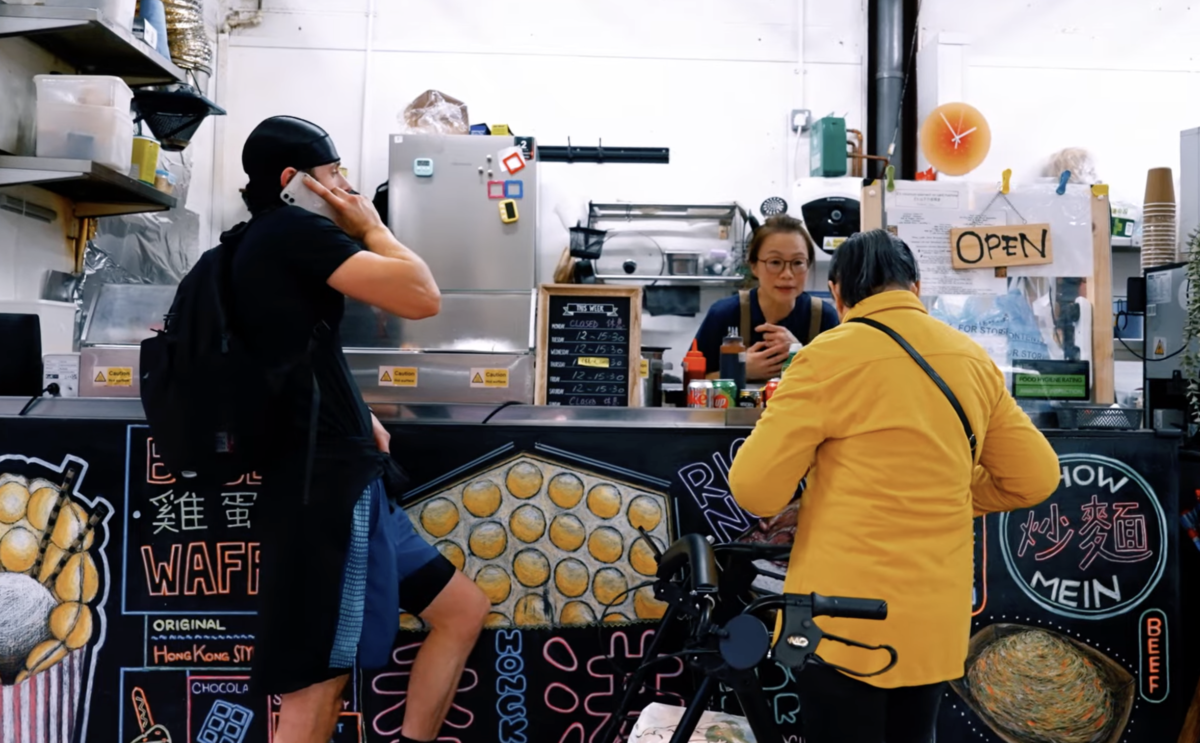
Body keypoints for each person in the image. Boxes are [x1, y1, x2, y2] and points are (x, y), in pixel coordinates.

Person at [728, 229, 1060, 743]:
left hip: (842, 622)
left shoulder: (824, 356)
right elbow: (1037, 478)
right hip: (934, 621)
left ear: (837, 293)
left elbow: (755, 491)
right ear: (916, 286)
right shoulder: (970, 357)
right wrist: (944, 487)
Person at [228, 116, 489, 743]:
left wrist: (357, 409)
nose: (343, 184)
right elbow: (423, 296)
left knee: (460, 610)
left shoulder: (259, 239)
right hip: (326, 489)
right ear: (294, 182)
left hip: (348, 478)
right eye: (333, 173)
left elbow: (299, 350)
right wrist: (370, 227)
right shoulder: (294, 230)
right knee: (317, 678)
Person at [691, 215, 839, 381]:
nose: (787, 274)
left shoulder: (823, 318)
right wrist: (739, 370)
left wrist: (798, 354)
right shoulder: (724, 314)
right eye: (775, 262)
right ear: (754, 266)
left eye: (798, 263)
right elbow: (691, 382)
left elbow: (841, 384)